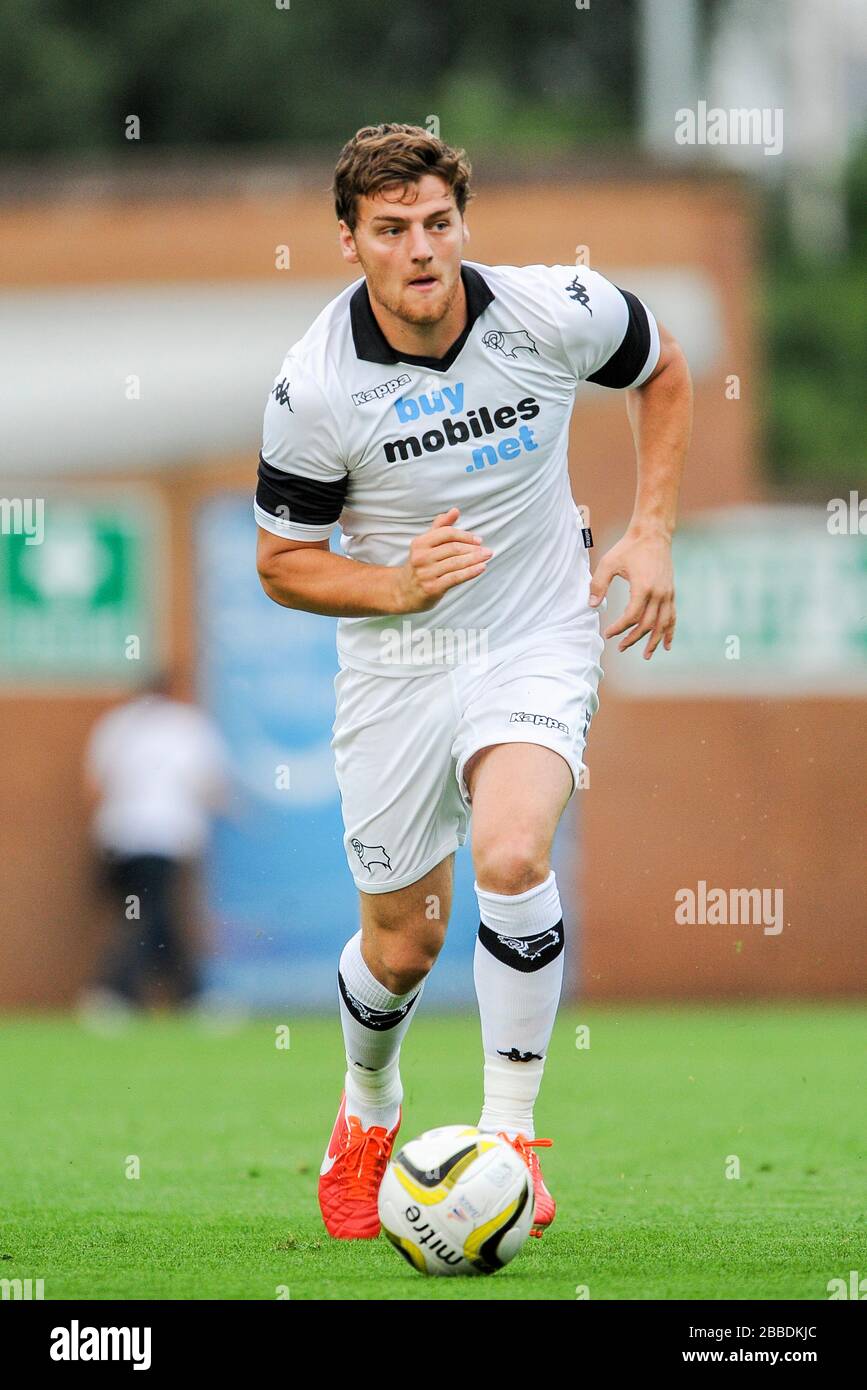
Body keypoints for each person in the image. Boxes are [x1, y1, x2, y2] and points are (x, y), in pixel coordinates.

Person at [254, 124, 692, 1240]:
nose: (420, 249)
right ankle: (368, 1106)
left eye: (438, 223)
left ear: (463, 224)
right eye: (391, 229)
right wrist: (396, 586)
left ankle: (510, 1138)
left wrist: (649, 531)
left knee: (510, 852)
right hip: (397, 662)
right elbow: (282, 563)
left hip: (535, 629)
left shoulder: (551, 308)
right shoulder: (315, 386)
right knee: (402, 945)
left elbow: (662, 365)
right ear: (349, 239)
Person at [81, 673, 230, 1014]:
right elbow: (210, 786)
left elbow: (93, 787)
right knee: (149, 915)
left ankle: (189, 995)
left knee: (149, 913)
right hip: (166, 837)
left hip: (119, 838)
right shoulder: (188, 727)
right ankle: (113, 991)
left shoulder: (116, 725)